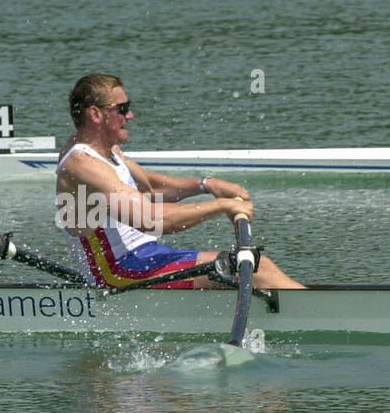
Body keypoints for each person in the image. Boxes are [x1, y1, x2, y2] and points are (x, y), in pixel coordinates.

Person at [55, 73, 303, 289]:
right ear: (96, 114)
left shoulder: (108, 150)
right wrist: (223, 206)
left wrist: (207, 185)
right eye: (122, 108)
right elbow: (151, 221)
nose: (130, 115)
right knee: (255, 268)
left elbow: (151, 188)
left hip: (147, 257)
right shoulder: (83, 164)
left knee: (251, 266)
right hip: (118, 274)